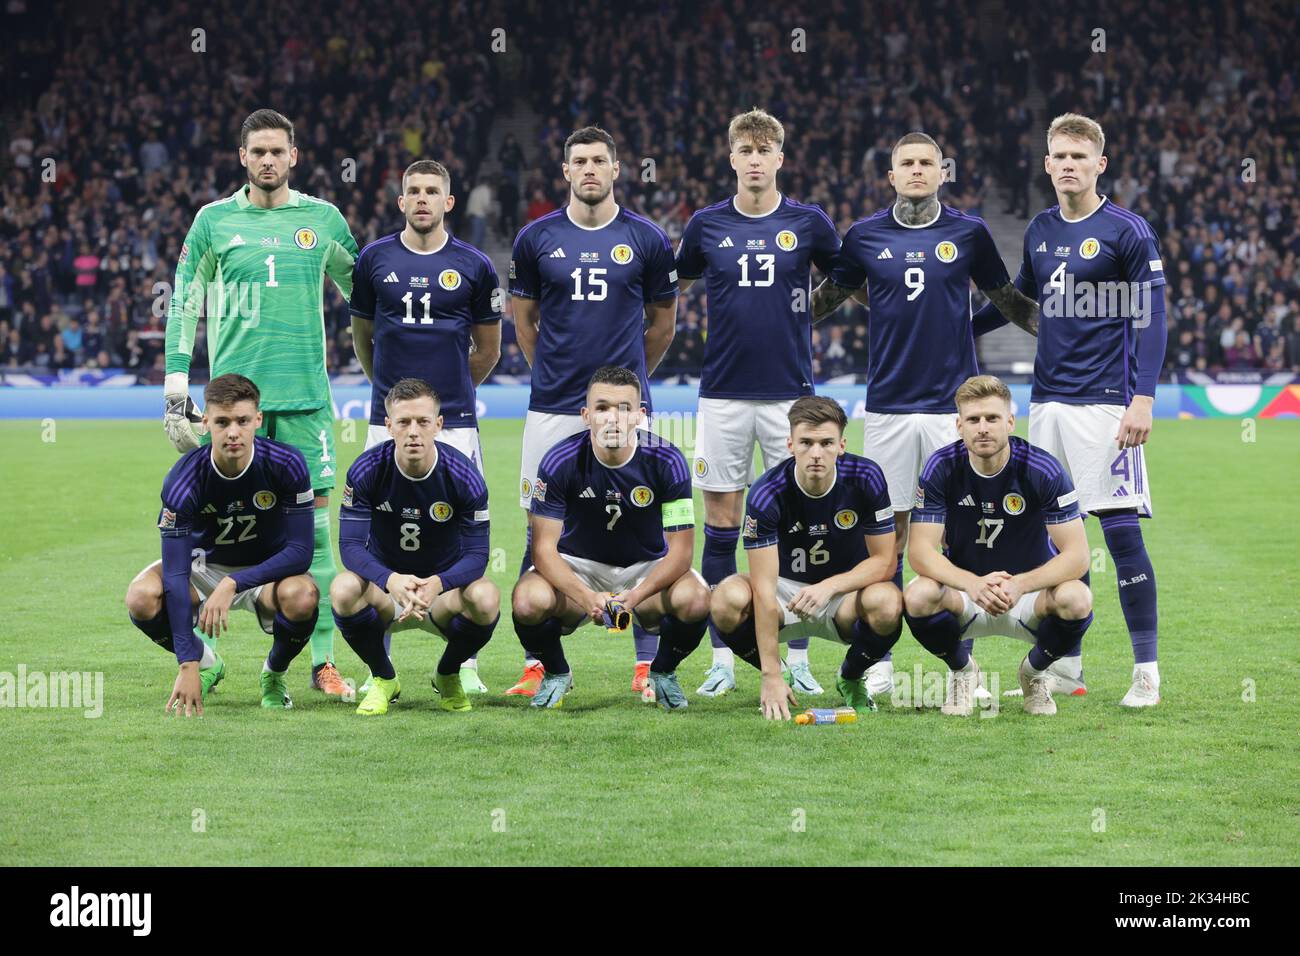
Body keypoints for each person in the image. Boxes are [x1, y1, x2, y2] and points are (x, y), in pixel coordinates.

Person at [812, 131, 1039, 698]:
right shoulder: (863, 236)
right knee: (886, 535)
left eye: (926, 163)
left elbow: (1006, 300)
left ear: (943, 172)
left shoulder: (969, 233)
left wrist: (1069, 330)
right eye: (906, 164)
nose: (916, 171)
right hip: (888, 406)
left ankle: (961, 666)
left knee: (950, 533)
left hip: (950, 408)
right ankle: (881, 655)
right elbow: (821, 302)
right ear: (890, 175)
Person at [163, 108, 358, 698]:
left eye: (278, 151)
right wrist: (176, 386)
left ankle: (321, 661)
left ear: (294, 156)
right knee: (209, 529)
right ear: (242, 158)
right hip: (232, 406)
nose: (268, 160)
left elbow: (366, 295)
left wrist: (391, 364)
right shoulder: (213, 221)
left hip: (303, 400)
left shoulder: (322, 220)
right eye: (258, 152)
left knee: (317, 533)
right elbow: (184, 299)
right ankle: (205, 653)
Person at [975, 113, 1167, 707]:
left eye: (1078, 157)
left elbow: (1152, 318)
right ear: (1047, 163)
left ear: (1099, 164)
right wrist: (952, 330)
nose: (1067, 165)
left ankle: (1146, 672)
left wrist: (1143, 396)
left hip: (1107, 406)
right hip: (1049, 405)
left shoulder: (1127, 231)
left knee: (1122, 535)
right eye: (1058, 156)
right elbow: (1020, 302)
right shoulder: (1039, 228)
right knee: (1062, 541)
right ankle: (1069, 663)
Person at [674, 108, 842, 699]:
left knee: (794, 524)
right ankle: (722, 655)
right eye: (743, 149)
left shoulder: (809, 221)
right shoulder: (705, 224)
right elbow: (679, 286)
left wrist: (804, 313)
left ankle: (795, 653)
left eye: (763, 149)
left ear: (779, 158)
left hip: (791, 397)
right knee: (721, 524)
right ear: (731, 158)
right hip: (721, 394)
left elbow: (846, 278)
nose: (753, 159)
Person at [507, 126, 678, 698]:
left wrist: (627, 390)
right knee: (540, 525)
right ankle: (539, 662)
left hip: (628, 408)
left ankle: (645, 662)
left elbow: (663, 324)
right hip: (554, 404)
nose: (589, 170)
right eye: (579, 161)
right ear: (565, 171)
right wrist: (555, 378)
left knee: (645, 523)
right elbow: (524, 320)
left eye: (598, 161)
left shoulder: (647, 239)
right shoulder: (536, 238)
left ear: (615, 169)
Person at [348, 159, 501, 693]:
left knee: (462, 535)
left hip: (455, 420)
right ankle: (378, 670)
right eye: (412, 191)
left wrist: (450, 397)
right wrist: (395, 405)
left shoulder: (476, 265)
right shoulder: (374, 259)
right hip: (384, 421)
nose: (421, 199)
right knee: (374, 532)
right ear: (400, 201)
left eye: (431, 192)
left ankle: (466, 666)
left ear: (448, 202)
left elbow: (488, 349)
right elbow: (363, 337)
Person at [511, 366, 709, 710]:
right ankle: (557, 672)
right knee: (527, 601)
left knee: (697, 598)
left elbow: (681, 553)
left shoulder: (668, 460)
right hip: (578, 567)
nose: (612, 418)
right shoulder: (560, 460)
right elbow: (542, 551)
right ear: (586, 415)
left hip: (646, 568)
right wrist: (588, 597)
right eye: (602, 408)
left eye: (624, 408)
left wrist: (634, 597)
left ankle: (663, 671)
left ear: (639, 416)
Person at [124, 374, 319, 715]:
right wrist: (187, 663)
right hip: (203, 569)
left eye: (243, 421)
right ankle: (206, 661)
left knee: (303, 597)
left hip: (265, 571)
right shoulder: (184, 480)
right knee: (141, 598)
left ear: (258, 419)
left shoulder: (286, 464)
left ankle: (274, 675)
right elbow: (175, 572)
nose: (233, 432)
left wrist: (233, 583)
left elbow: (301, 553)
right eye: (222, 422)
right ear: (205, 422)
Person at [904, 375, 1094, 716]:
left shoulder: (1042, 469)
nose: (983, 428)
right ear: (959, 425)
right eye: (973, 420)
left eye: (992, 418)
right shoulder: (940, 468)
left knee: (1077, 598)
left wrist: (1019, 584)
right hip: (966, 596)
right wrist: (972, 584)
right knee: (918, 595)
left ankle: (1034, 674)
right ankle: (963, 672)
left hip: (1029, 597)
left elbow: (1078, 556)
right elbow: (919, 552)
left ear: (1010, 421)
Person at [710, 396, 902, 720]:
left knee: (889, 603)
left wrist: (828, 587)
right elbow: (764, 589)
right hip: (784, 592)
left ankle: (851, 677)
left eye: (826, 443)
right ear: (790, 445)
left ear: (841, 445)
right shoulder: (766, 492)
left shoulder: (867, 477)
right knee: (724, 600)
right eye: (806, 443)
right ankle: (779, 675)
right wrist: (768, 674)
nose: (816, 453)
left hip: (844, 594)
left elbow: (886, 562)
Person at [332, 379, 498, 716]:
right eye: (404, 422)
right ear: (388, 425)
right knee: (343, 588)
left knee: (486, 597)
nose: (413, 432)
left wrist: (437, 583)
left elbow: (478, 556)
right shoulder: (366, 470)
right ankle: (383, 677)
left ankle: (448, 673)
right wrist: (391, 579)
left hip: (441, 597)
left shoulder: (465, 476)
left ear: (438, 425)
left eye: (423, 422)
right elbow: (349, 547)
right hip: (387, 593)